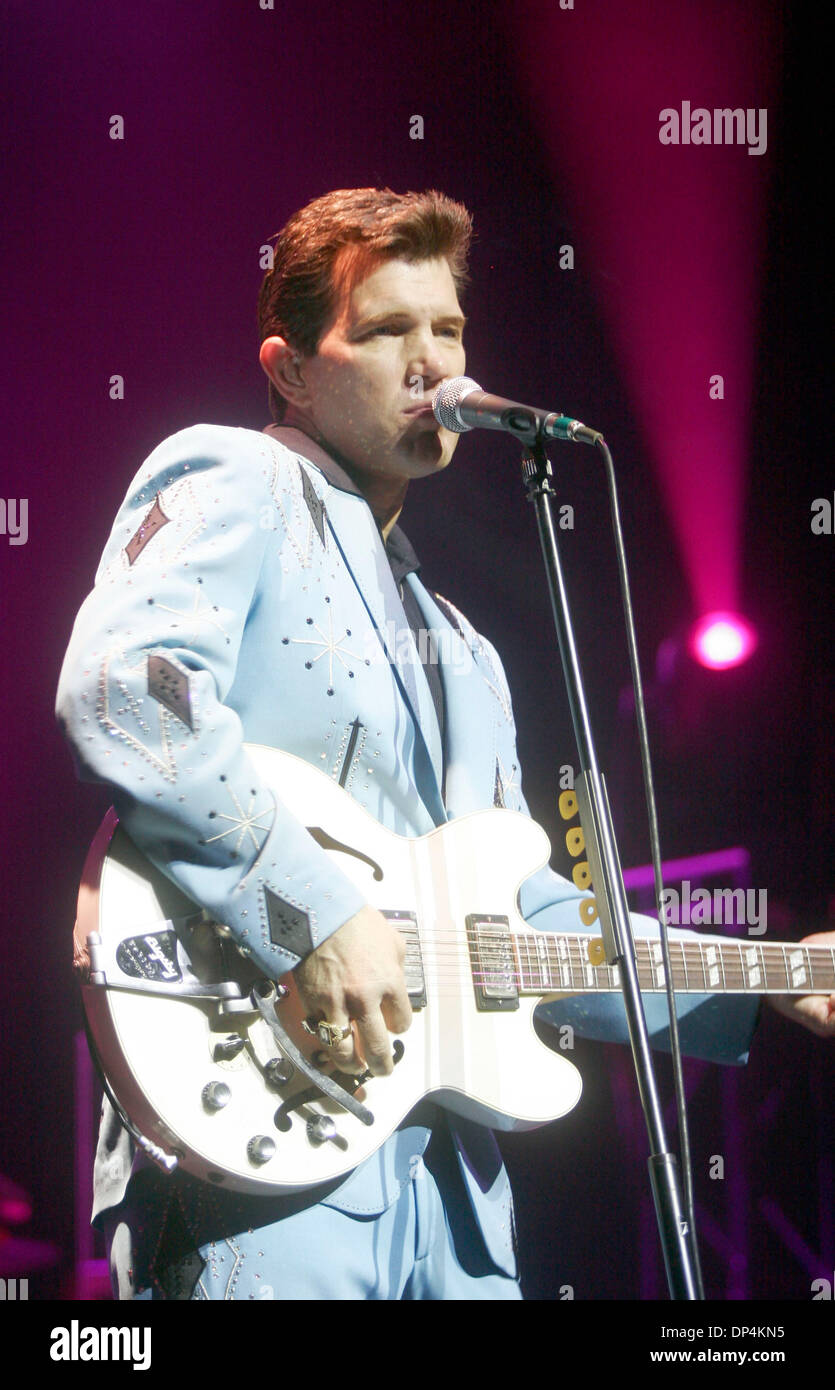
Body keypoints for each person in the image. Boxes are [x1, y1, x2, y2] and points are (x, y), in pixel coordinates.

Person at [56, 187, 834, 1301]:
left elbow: (527, 924)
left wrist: (772, 978)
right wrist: (312, 911)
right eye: (384, 331)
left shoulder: (467, 650)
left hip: (454, 1200)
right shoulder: (236, 477)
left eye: (449, 328)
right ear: (289, 369)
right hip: (262, 1151)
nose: (432, 361)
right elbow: (126, 692)